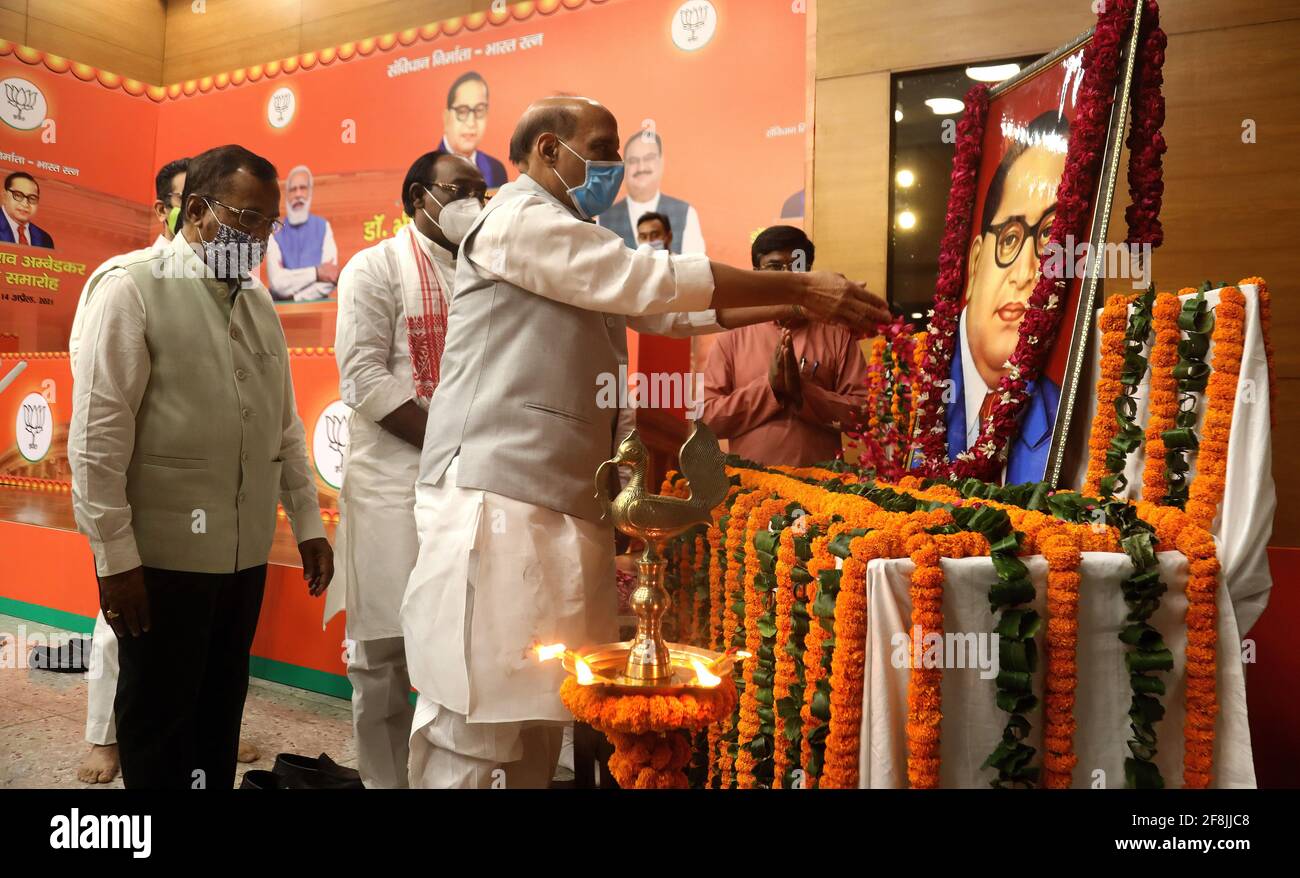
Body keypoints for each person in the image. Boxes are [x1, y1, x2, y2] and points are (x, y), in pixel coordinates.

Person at [400, 96, 887, 788]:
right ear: (546, 150)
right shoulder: (520, 220)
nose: (614, 167)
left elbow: (670, 304)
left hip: (563, 507)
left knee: (544, 715)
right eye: (599, 149)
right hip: (495, 505)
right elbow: (650, 281)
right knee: (477, 727)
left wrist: (790, 305)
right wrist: (802, 288)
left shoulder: (572, 239)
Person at [67, 144, 335, 789]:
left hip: (240, 556)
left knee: (217, 715)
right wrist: (115, 559)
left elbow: (284, 427)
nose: (257, 237)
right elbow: (97, 440)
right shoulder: (131, 286)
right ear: (196, 210)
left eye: (267, 224)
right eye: (244, 219)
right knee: (159, 722)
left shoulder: (260, 304)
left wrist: (307, 523)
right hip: (159, 561)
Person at [327, 149, 486, 788]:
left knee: (462, 641)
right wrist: (446, 440)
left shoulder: (485, 270)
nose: (475, 201)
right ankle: (384, 782)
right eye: (460, 190)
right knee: (381, 651)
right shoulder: (375, 267)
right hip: (392, 482)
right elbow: (362, 378)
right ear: (420, 195)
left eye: (482, 189)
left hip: (467, 482)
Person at [947, 111, 1066, 483]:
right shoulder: (923, 386)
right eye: (1011, 237)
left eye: (1049, 236)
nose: (1025, 271)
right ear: (976, 261)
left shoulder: (1061, 408)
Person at [702, 226, 870, 466]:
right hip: (748, 494)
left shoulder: (837, 333)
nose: (787, 276)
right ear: (755, 273)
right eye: (774, 267)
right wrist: (768, 388)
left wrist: (805, 394)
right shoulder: (731, 336)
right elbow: (707, 421)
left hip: (824, 493)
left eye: (797, 266)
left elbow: (863, 414)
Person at [597, 129, 704, 254]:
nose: (641, 167)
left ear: (661, 162)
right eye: (633, 160)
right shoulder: (604, 218)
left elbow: (695, 268)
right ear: (623, 166)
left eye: (648, 158)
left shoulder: (686, 212)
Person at [266, 165, 339, 301]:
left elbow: (330, 278)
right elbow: (277, 282)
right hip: (281, 315)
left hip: (316, 313)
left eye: (303, 188)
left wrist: (295, 296)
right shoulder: (275, 230)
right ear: (286, 195)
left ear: (310, 193)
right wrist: (317, 273)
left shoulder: (323, 227)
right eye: (293, 189)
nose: (298, 194)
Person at [440, 71, 508, 189]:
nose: (471, 123)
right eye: (462, 111)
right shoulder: (428, 170)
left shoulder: (496, 169)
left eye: (479, 110)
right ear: (446, 118)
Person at [0, 172, 55, 248]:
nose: (25, 204)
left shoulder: (44, 239)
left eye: (32, 198)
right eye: (18, 195)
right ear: (4, 195)